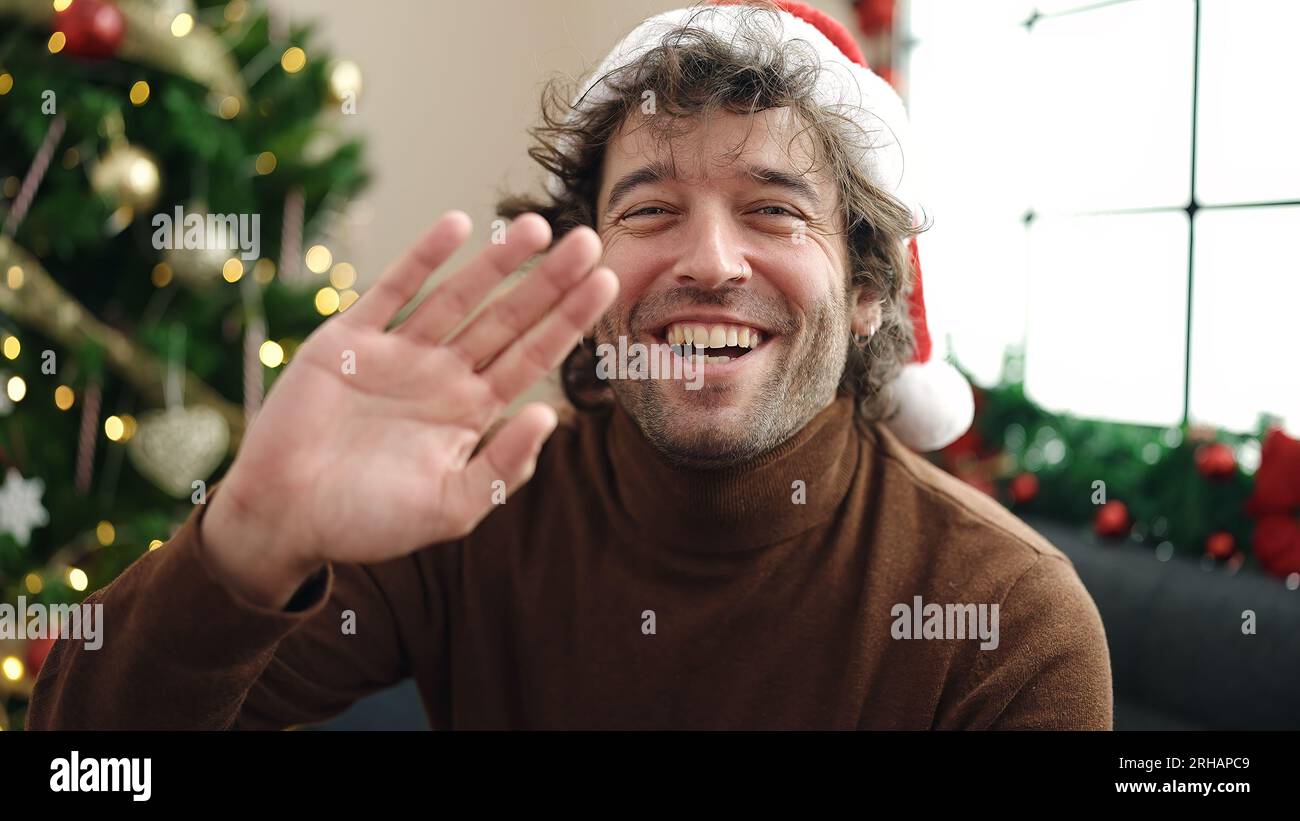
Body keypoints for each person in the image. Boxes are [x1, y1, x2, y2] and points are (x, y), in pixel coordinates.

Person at [28, 1, 1111, 730]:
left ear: (869, 288)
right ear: (579, 264)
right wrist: (249, 539)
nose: (709, 261)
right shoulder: (464, 510)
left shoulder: (1005, 618)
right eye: (650, 209)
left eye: (773, 210)